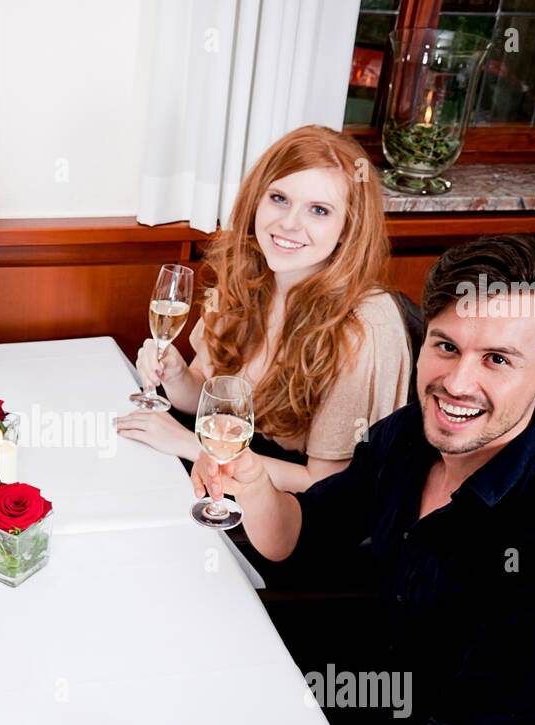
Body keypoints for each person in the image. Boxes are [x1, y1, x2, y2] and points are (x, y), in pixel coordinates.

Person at [148, 235, 535, 725]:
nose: (456, 383)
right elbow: (301, 536)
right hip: (365, 707)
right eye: (446, 346)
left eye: (497, 360)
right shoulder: (411, 435)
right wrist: (253, 483)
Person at [115, 125, 412, 494]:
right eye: (279, 198)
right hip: (231, 471)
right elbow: (202, 404)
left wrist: (190, 447)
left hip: (295, 509)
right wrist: (175, 375)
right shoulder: (248, 275)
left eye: (319, 210)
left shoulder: (363, 327)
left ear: (348, 229)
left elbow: (326, 484)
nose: (288, 223)